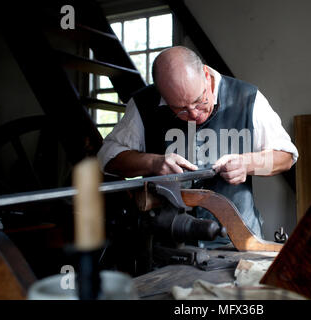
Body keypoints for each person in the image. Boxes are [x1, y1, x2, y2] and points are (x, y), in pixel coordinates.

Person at [97, 46, 298, 248]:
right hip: (168, 244)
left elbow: (286, 157)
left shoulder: (247, 98)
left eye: (199, 101)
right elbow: (108, 159)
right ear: (162, 94)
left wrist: (247, 164)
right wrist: (154, 163)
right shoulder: (144, 104)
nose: (193, 114)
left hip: (238, 242)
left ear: (205, 74)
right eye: (180, 109)